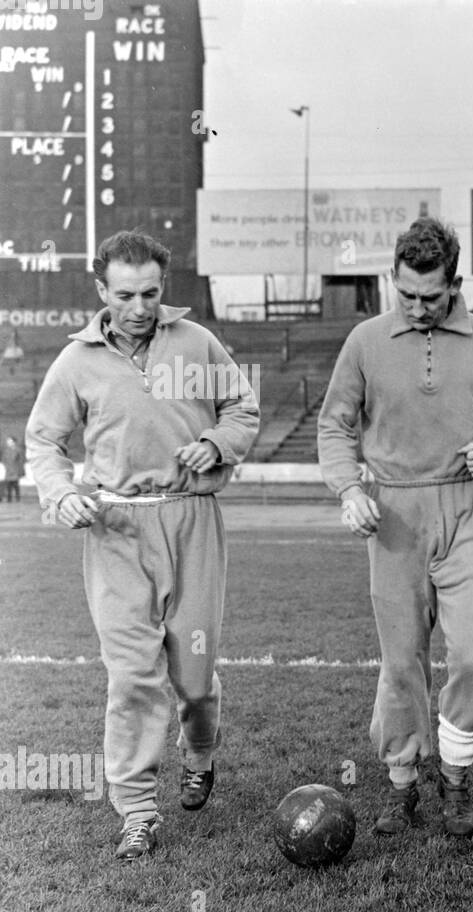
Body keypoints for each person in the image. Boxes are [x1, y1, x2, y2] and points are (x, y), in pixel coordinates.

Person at [25, 230, 259, 860]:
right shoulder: (76, 361)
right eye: (124, 294)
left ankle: (201, 752)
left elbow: (242, 406)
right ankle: (137, 811)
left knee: (193, 676)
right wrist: (59, 492)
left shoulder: (196, 342)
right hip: (114, 528)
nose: (138, 307)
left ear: (164, 287)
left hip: (191, 522)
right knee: (132, 676)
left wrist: (215, 444)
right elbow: (43, 441)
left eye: (150, 293)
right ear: (101, 290)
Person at [317, 217, 473, 839]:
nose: (416, 307)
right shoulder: (364, 341)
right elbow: (334, 426)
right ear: (393, 280)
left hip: (470, 510)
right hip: (395, 515)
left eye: (430, 297)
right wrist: (349, 488)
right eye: (404, 294)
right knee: (401, 661)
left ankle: (456, 775)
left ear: (456, 284)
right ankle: (403, 782)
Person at [2, 435, 22, 501]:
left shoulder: (17, 450)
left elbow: (19, 460)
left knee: (16, 485)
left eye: (9, 441)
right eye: (8, 441)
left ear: (13, 442)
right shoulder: (6, 451)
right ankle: (9, 499)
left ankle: (17, 498)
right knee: (8, 486)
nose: (8, 442)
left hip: (15, 470)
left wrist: (19, 471)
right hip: (8, 470)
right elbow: (3, 459)